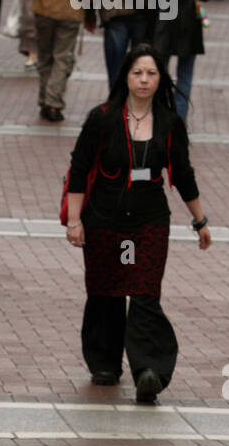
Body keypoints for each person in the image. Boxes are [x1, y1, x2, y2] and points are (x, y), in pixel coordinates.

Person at [65, 43, 210, 402]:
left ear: (161, 79)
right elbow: (79, 170)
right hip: (103, 217)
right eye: (137, 73)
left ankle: (149, 371)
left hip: (149, 220)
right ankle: (105, 363)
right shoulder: (102, 118)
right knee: (106, 289)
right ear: (125, 77)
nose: (144, 80)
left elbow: (183, 174)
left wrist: (200, 220)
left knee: (145, 292)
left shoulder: (170, 122)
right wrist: (74, 221)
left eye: (151, 73)